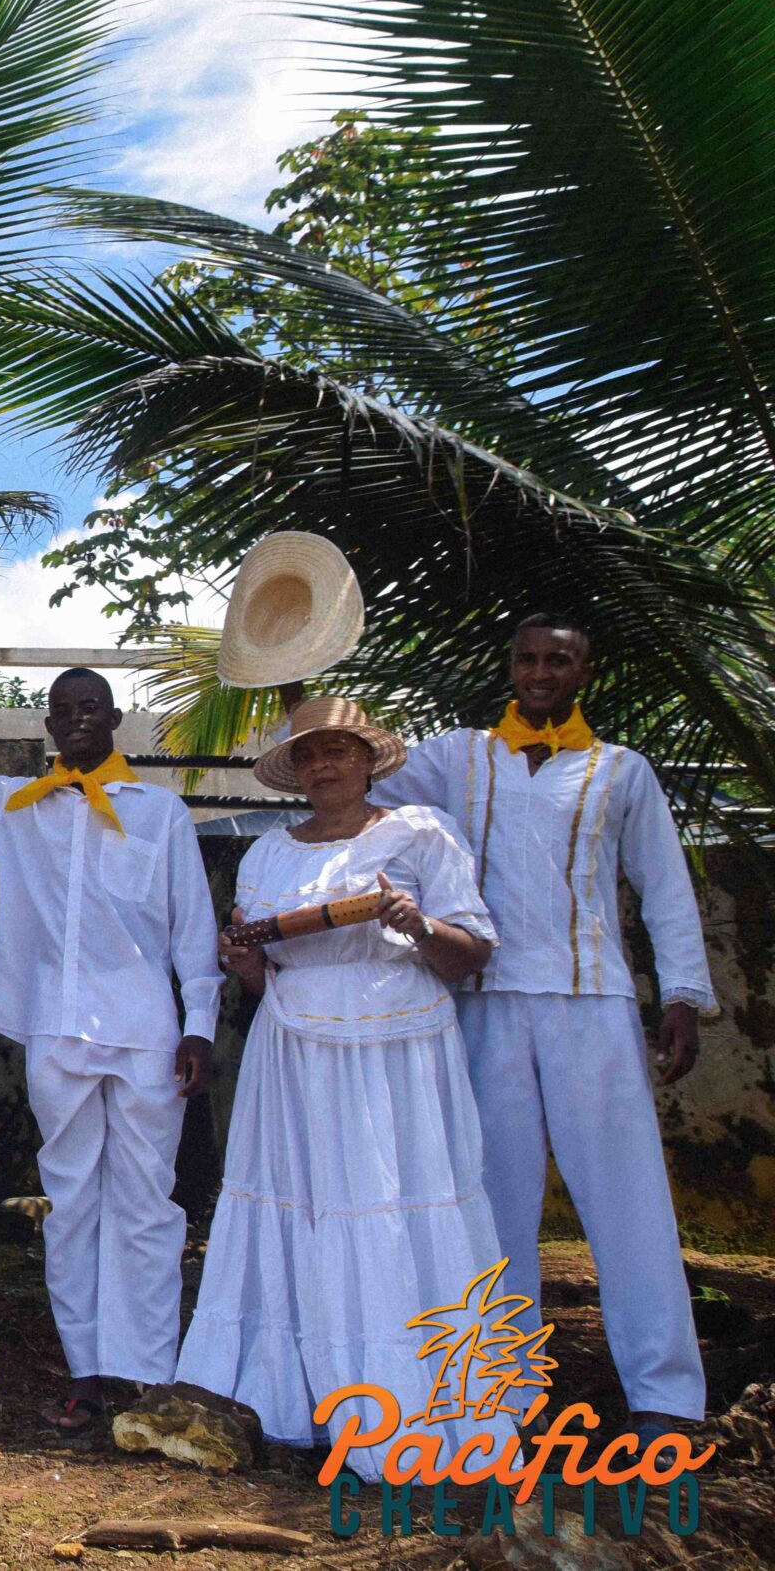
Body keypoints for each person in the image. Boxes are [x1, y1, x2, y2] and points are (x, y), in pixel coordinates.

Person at [362, 615, 717, 1440]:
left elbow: (664, 887)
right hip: (485, 998)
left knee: (628, 1196)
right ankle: (499, 1396)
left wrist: (682, 997)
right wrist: (302, 698)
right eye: (527, 657)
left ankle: (666, 1396)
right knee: (493, 1202)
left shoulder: (621, 771)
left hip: (592, 999)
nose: (540, 671)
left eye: (558, 659)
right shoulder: (457, 756)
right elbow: (362, 781)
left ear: (583, 671)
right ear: (510, 666)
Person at [150, 698, 513, 1480]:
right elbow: (257, 975)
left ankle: (414, 1408)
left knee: (390, 1205)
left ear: (369, 758)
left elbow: (471, 954)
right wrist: (240, 954)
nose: (324, 766)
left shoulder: (421, 832)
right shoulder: (266, 855)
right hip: (297, 1046)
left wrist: (415, 922)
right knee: (306, 1205)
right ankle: (294, 1400)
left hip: (398, 1047)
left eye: (339, 751)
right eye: (310, 755)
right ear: (295, 771)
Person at [0, 671, 221, 1434]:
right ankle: (87, 1373)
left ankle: (150, 1375)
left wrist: (201, 1023)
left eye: (89, 706)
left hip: (146, 1030)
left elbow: (194, 927)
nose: (75, 719)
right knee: (72, 1203)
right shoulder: (14, 807)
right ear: (49, 726)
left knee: (147, 1202)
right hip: (55, 1031)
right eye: (61, 710)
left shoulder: (160, 814)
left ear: (116, 718)